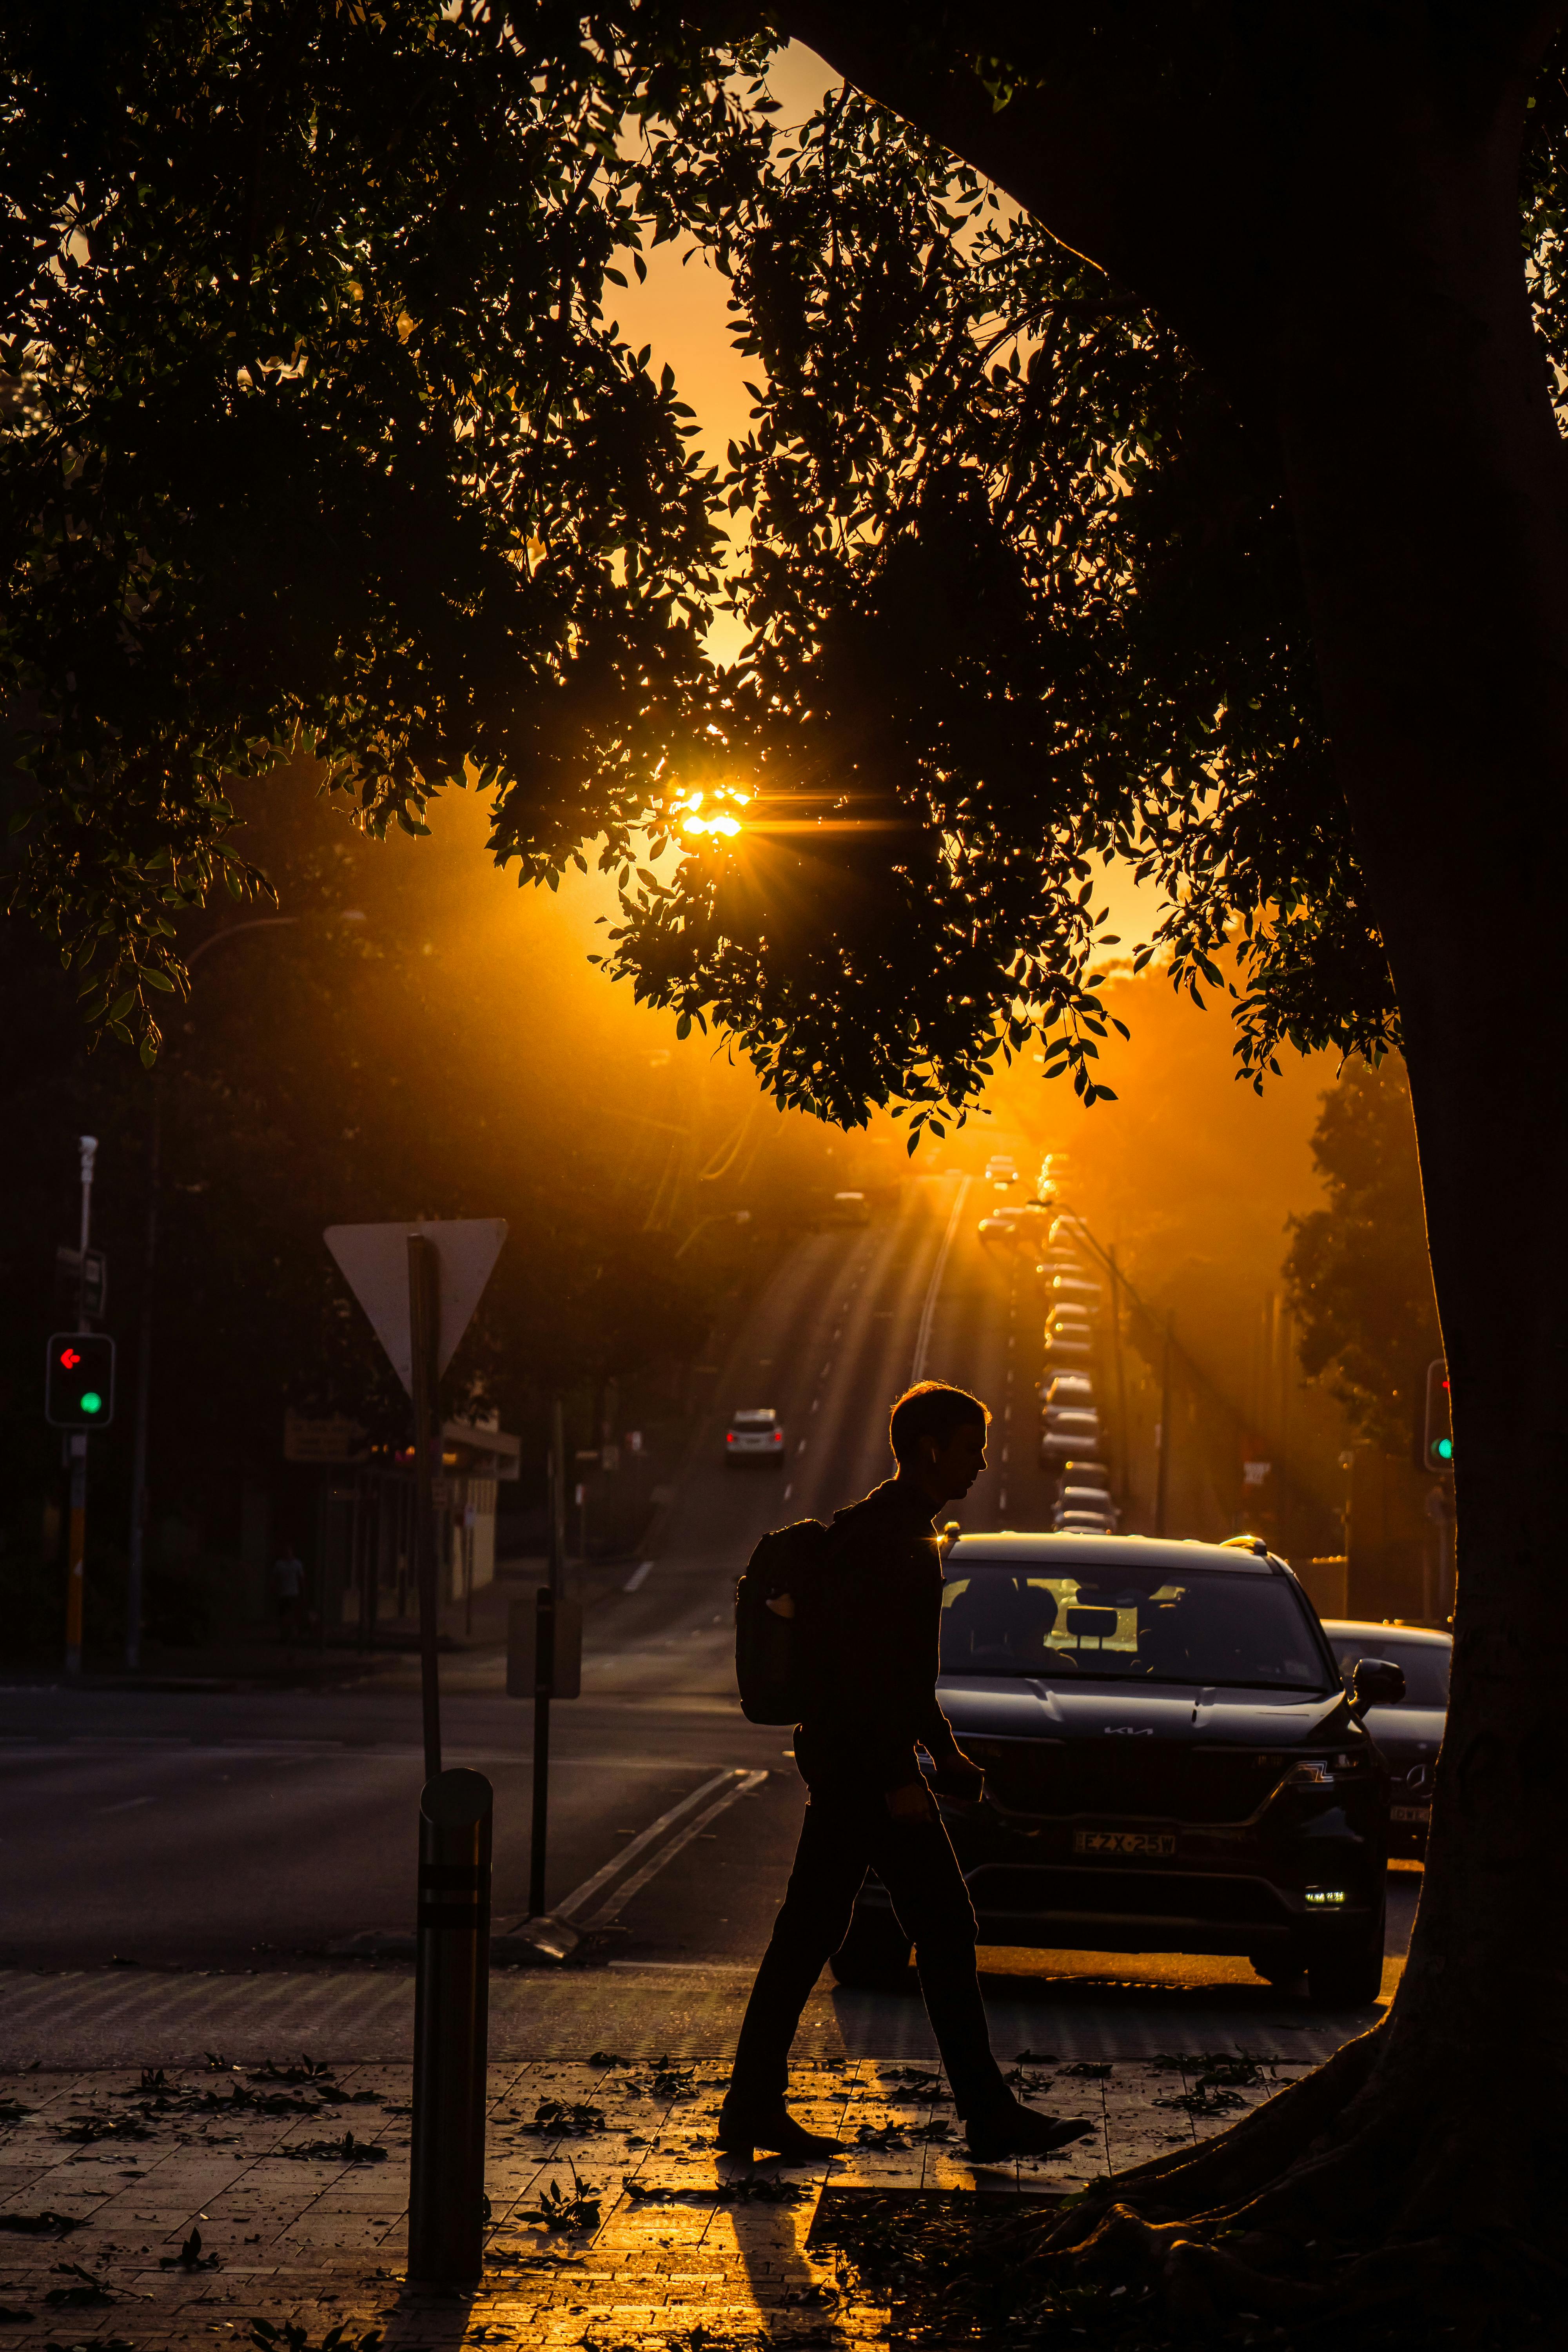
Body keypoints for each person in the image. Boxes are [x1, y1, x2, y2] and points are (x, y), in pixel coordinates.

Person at [718, 1380, 1093, 2163]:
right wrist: (900, 1776)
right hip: (863, 1770)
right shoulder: (890, 1546)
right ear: (929, 1450)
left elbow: (902, 1676)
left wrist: (944, 1751)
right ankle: (985, 2115)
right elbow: (863, 1676)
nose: (981, 1463)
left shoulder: (891, 1534)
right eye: (969, 1447)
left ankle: (751, 2104)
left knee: (813, 1930)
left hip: (856, 1761)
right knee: (939, 1925)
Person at [270, 1541, 307, 1645]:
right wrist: (274, 1591)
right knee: (283, 1617)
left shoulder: (297, 1564)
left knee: (291, 1616)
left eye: (289, 1551)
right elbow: (274, 1579)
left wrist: (303, 1592)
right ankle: (284, 1636)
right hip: (283, 1594)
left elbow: (301, 1579)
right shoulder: (279, 1565)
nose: (287, 1553)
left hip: (293, 1594)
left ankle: (290, 1637)